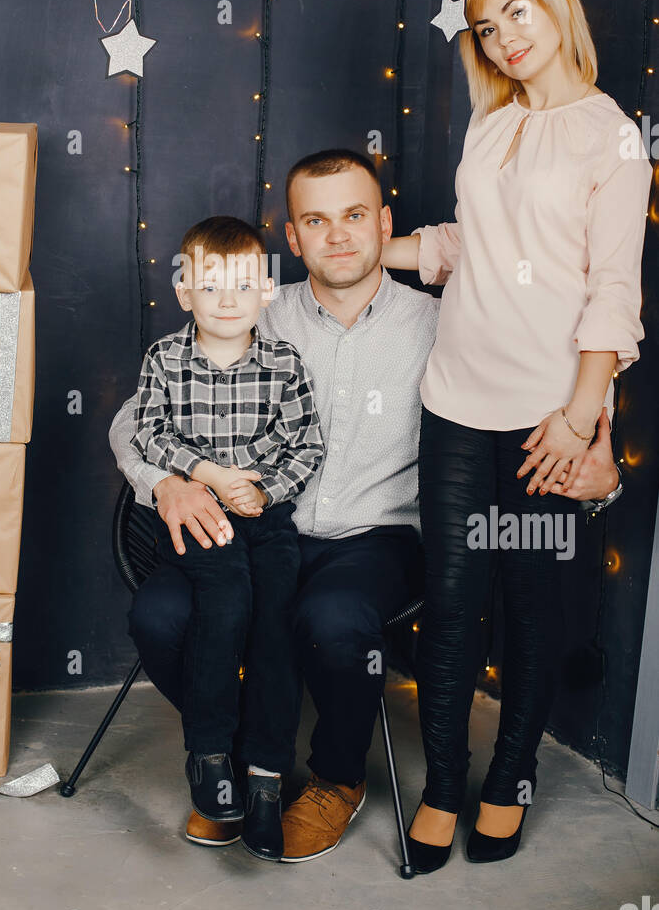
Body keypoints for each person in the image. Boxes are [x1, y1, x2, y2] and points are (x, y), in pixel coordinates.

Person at [110, 149, 622, 863]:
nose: (339, 235)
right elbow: (139, 415)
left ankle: (337, 778)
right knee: (159, 615)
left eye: (355, 216)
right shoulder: (258, 313)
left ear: (385, 224)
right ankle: (238, 762)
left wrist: (602, 461)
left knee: (336, 621)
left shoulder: (447, 324)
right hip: (258, 527)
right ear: (292, 238)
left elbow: (542, 391)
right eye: (316, 221)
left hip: (376, 541)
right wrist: (163, 482)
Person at [382, 0, 652, 870]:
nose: (502, 40)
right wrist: (373, 250)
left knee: (530, 610)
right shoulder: (489, 126)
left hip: (548, 418)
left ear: (555, 6)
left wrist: (582, 417)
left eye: (516, 15)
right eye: (486, 27)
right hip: (456, 399)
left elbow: (613, 287)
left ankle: (510, 780)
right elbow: (472, 247)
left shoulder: (613, 135)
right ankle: (445, 786)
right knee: (452, 608)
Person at [129, 214, 324, 861]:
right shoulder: (164, 359)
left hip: (265, 518)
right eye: (210, 287)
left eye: (243, 285)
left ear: (267, 291)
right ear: (184, 293)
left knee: (275, 620)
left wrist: (264, 491)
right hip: (199, 515)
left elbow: (307, 445)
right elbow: (149, 434)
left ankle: (267, 777)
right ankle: (210, 756)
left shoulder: (282, 362)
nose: (228, 299)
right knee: (226, 604)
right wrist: (207, 473)